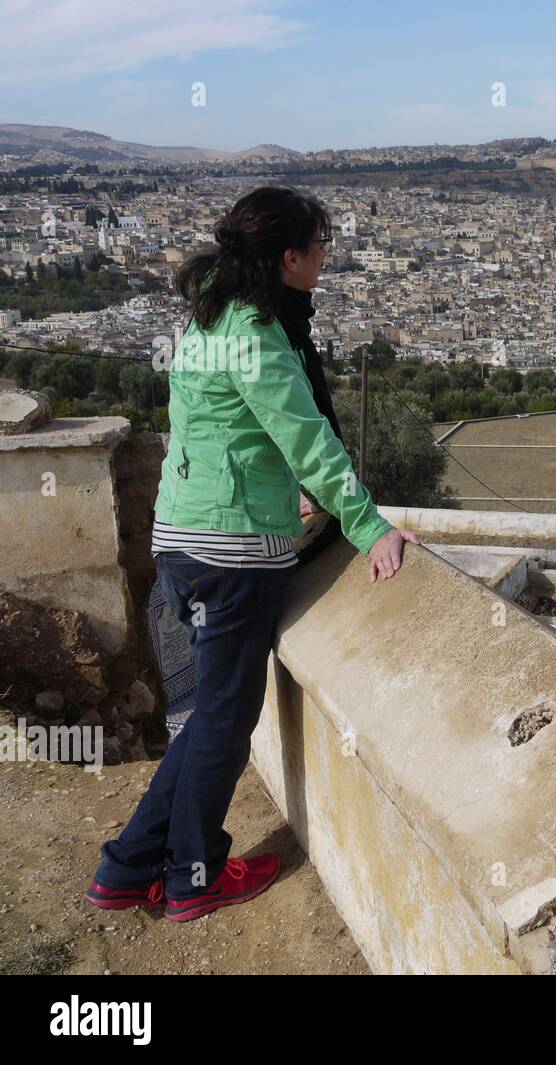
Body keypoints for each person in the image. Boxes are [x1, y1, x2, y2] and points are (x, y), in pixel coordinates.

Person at [84, 186, 418, 922]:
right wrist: (367, 525)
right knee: (225, 724)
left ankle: (127, 866)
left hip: (181, 534)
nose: (327, 257)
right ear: (289, 257)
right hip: (232, 553)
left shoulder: (209, 312)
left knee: (209, 715)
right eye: (319, 245)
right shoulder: (259, 333)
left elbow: (223, 429)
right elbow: (308, 439)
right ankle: (194, 876)